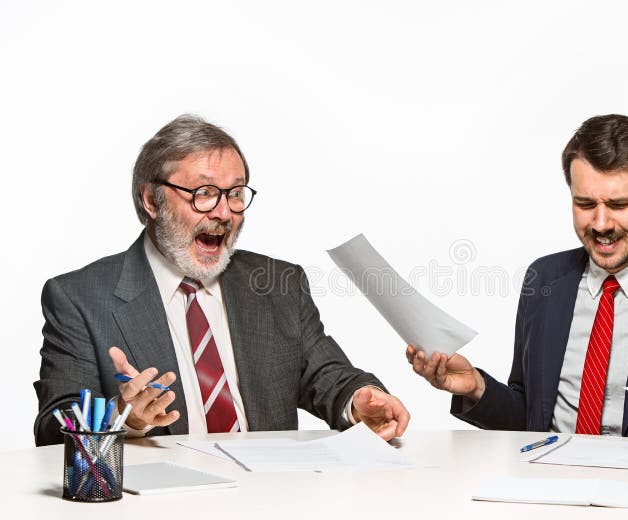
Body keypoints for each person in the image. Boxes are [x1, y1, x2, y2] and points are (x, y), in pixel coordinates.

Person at [34, 114, 409, 446]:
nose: (225, 212)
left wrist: (359, 400)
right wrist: (123, 417)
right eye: (204, 194)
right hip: (162, 498)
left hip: (270, 492)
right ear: (151, 200)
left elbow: (327, 376)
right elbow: (53, 427)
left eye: (235, 194)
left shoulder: (279, 283)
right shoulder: (78, 298)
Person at [407, 114, 628, 442]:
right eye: (585, 204)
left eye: (618, 205)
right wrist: (475, 387)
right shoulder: (544, 280)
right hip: (549, 479)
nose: (601, 224)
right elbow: (531, 421)